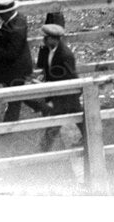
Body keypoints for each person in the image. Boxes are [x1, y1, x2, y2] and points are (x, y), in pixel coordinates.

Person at [33, 12, 85, 153]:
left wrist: (56, 92)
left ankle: (43, 151)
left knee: (56, 122)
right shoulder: (48, 49)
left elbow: (72, 77)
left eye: (46, 37)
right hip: (59, 93)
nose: (43, 39)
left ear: (54, 39)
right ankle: (89, 139)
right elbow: (46, 68)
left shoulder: (65, 55)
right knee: (80, 120)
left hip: (67, 94)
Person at [0, 0, 36, 121]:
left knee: (14, 99)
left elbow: (11, 53)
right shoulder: (17, 20)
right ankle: (7, 123)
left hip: (15, 68)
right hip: (14, 66)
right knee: (15, 96)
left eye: (1, 14)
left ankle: (8, 126)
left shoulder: (15, 29)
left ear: (8, 13)